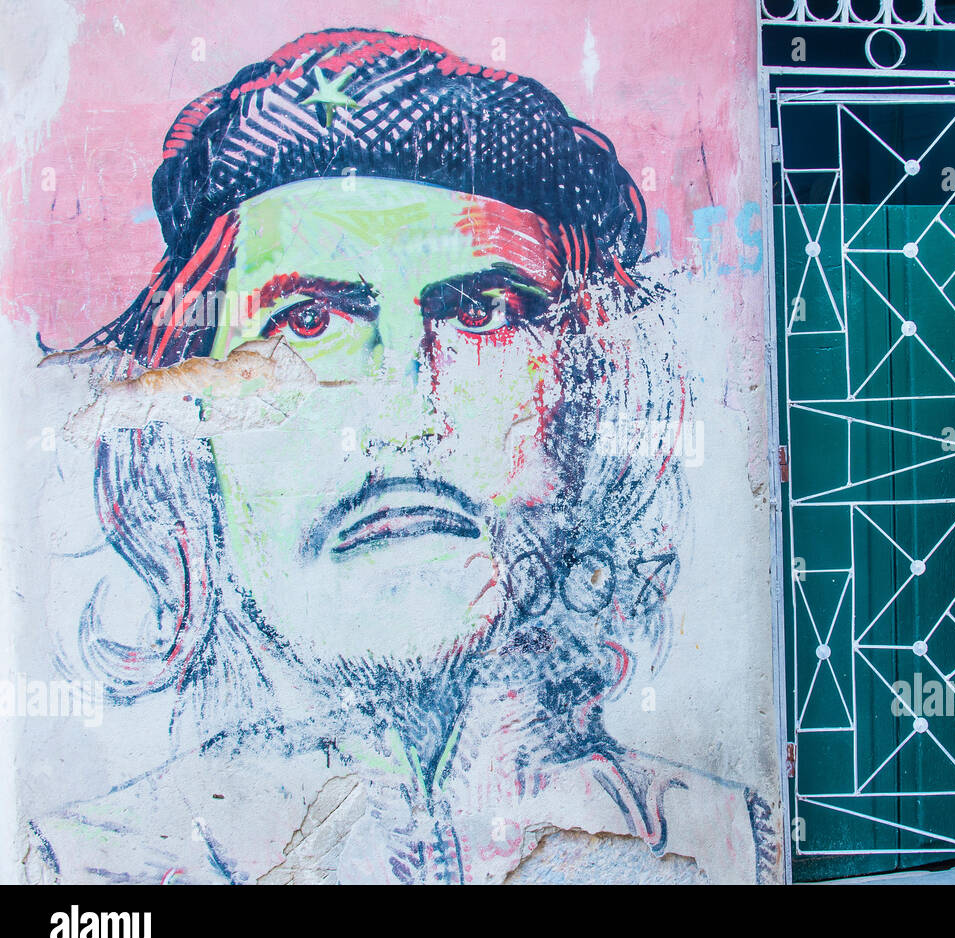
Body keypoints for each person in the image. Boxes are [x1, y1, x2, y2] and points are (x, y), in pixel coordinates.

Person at [27, 28, 777, 884]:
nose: (405, 414)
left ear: (584, 391)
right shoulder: (91, 872)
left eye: (484, 312)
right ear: (189, 427)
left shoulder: (713, 846)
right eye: (307, 322)